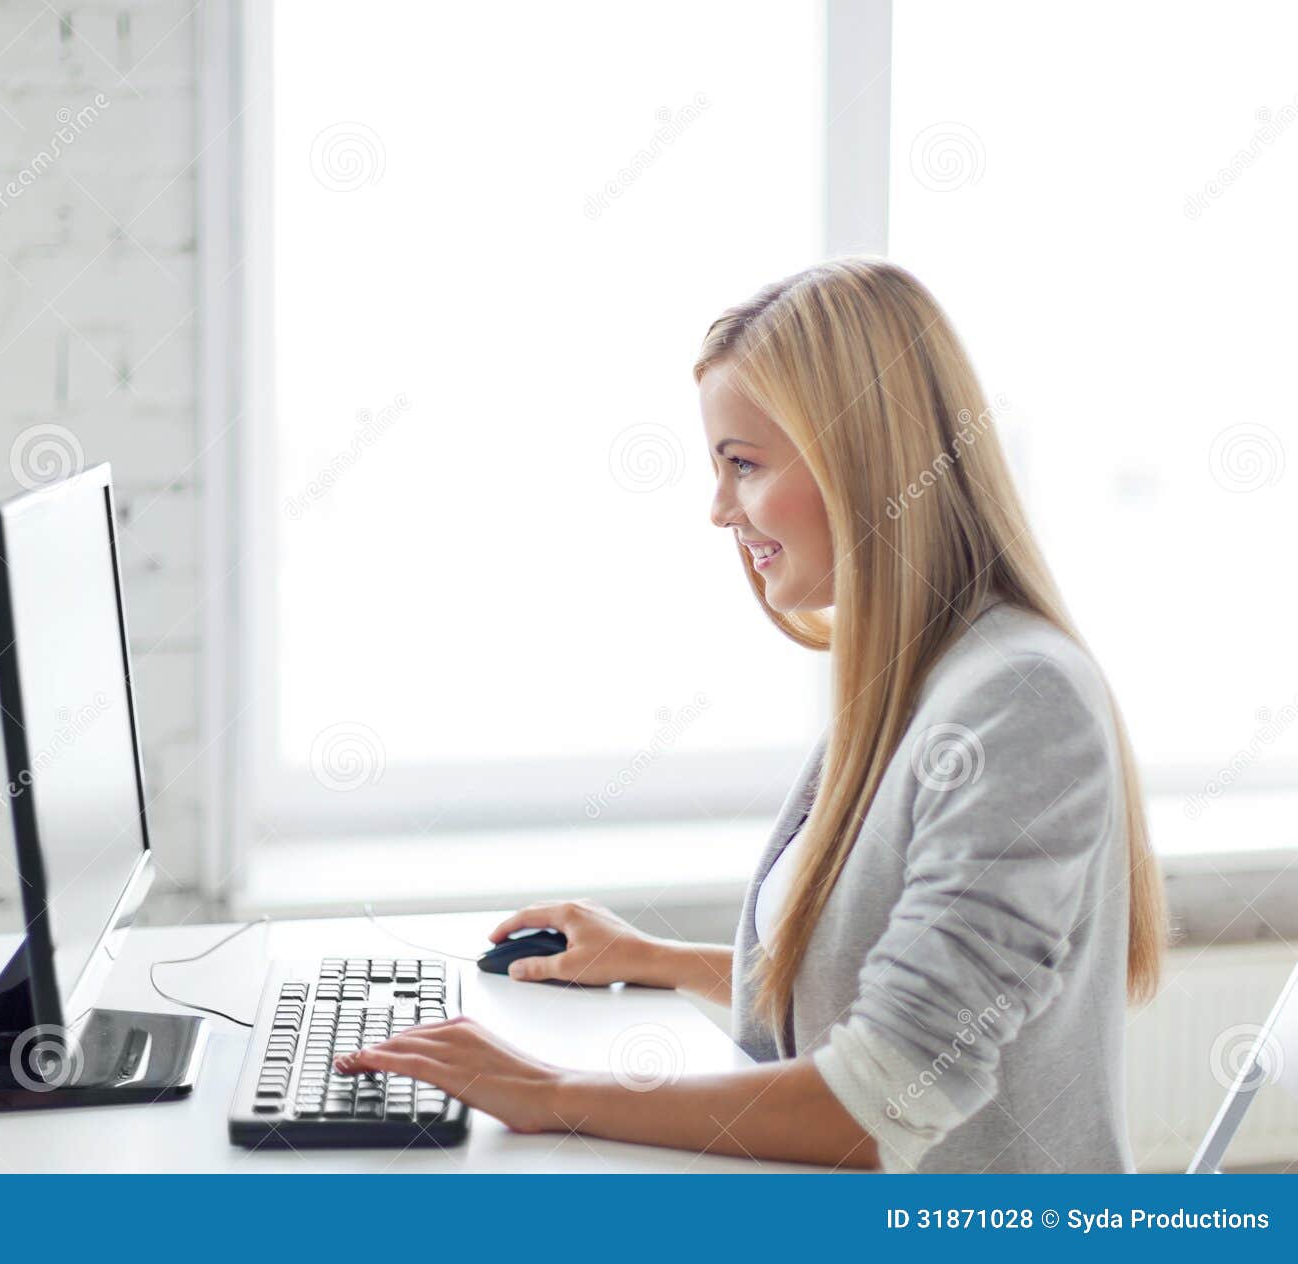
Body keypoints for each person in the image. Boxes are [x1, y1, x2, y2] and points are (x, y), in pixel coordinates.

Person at [334, 258, 1167, 1172]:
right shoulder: (917, 677)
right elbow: (867, 982)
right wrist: (653, 957)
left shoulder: (1017, 701)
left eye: (744, 465)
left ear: (861, 461)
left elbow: (883, 1098)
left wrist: (546, 1095)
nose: (720, 509)